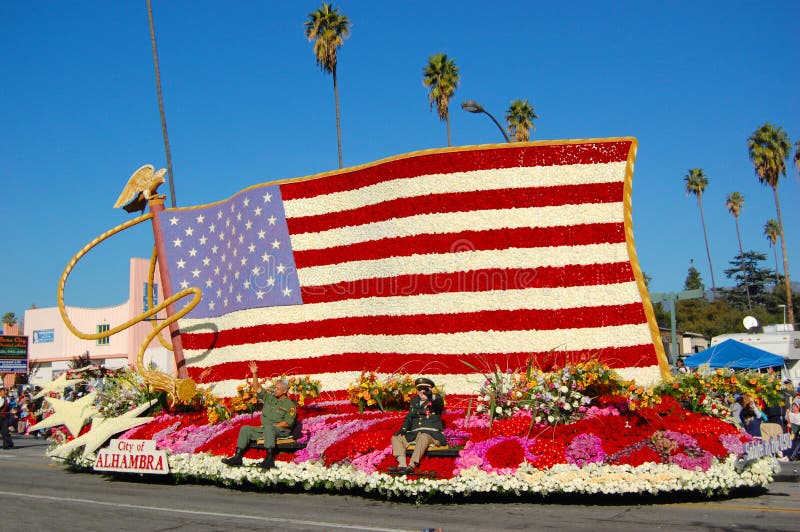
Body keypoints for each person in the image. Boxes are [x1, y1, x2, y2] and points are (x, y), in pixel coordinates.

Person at [222, 361, 297, 469]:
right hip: (266, 429)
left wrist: (271, 427)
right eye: (275, 387)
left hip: (280, 431)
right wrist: (254, 374)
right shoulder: (270, 398)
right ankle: (237, 457)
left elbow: (287, 423)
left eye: (278, 388)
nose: (275, 390)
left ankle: (269, 460)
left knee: (268, 429)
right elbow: (257, 388)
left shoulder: (290, 405)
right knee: (245, 429)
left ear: (285, 391)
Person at [391, 377, 446, 474]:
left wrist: (431, 395)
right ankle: (402, 465)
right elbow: (409, 417)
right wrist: (404, 428)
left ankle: (411, 465)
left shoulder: (435, 399)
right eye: (420, 389)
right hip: (416, 433)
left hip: (432, 435)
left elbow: (439, 404)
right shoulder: (414, 402)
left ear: (430, 389)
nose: (422, 391)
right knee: (396, 437)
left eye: (425, 389)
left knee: (424, 436)